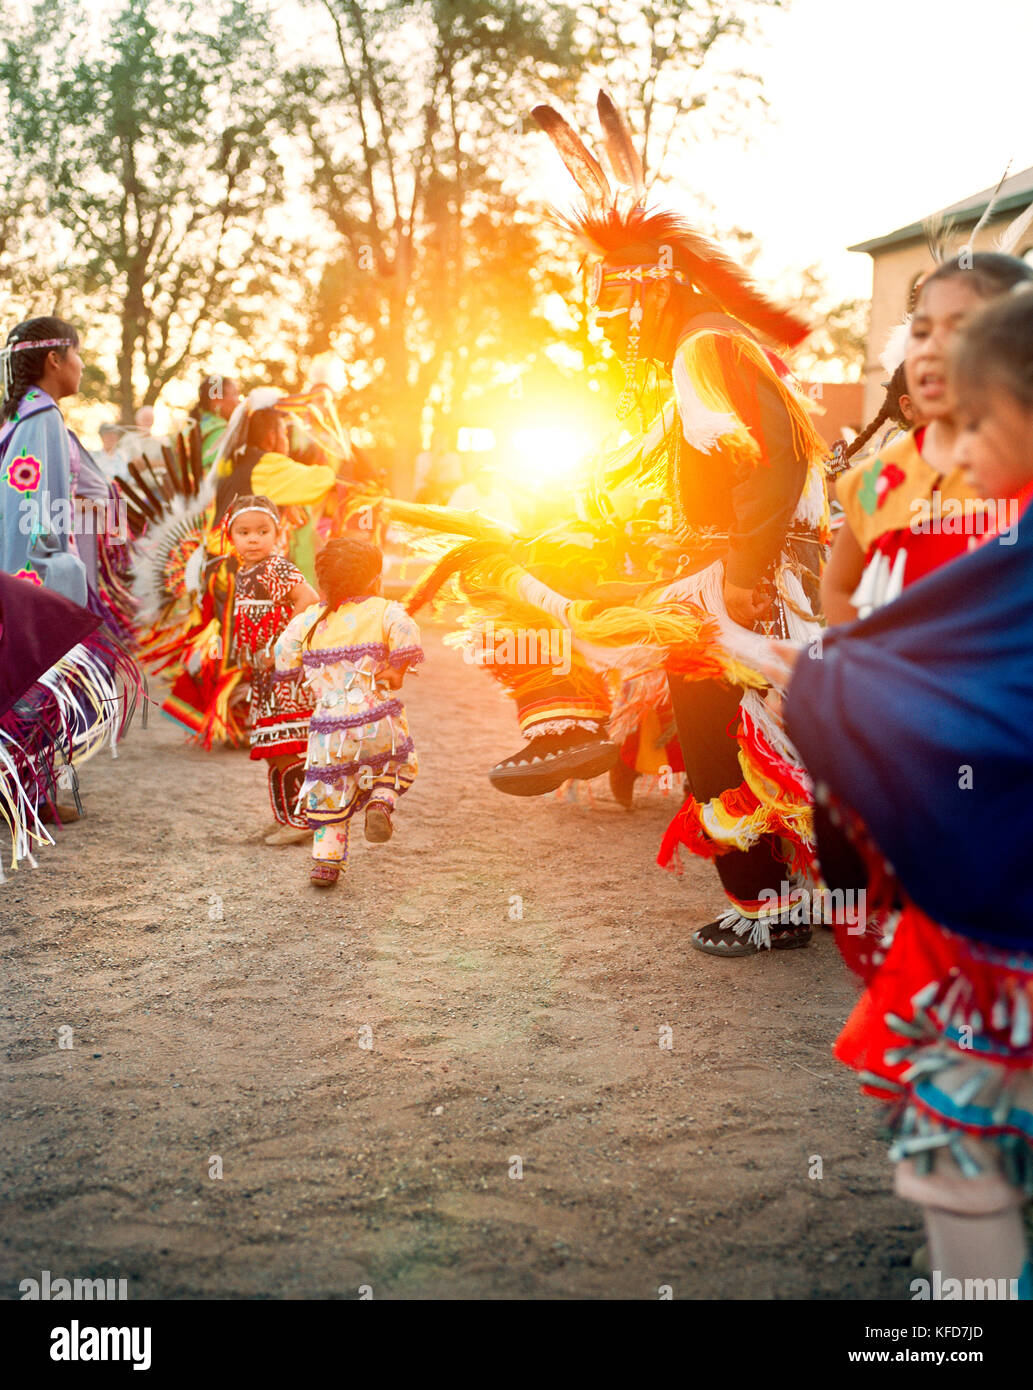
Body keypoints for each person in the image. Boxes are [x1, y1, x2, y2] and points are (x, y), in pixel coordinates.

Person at [769, 286, 1033, 1299]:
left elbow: (968, 677)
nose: (956, 451)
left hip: (989, 870)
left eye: (975, 422)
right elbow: (850, 609)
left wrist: (829, 687)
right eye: (917, 330)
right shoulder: (879, 479)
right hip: (954, 821)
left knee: (953, 1141)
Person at [823, 253, 1033, 625]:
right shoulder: (874, 480)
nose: (931, 347)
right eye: (921, 332)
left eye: (960, 329)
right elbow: (839, 589)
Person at [274, 537, 422, 889]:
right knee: (395, 764)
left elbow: (283, 655)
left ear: (322, 581)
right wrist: (397, 671)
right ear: (374, 580)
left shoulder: (308, 621)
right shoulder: (385, 611)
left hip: (330, 727)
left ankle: (325, 863)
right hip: (377, 718)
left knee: (329, 787)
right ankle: (381, 801)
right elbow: (408, 634)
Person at [225, 495, 318, 845]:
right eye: (244, 532)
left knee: (287, 744)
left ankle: (305, 817)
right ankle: (288, 817)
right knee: (272, 745)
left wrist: (280, 646)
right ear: (231, 536)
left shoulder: (277, 567)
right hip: (263, 675)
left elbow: (308, 599)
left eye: (263, 531)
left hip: (285, 674)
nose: (253, 539)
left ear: (277, 534)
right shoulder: (245, 572)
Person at [192, 373, 240, 473]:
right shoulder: (221, 433)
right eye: (235, 394)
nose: (239, 400)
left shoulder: (194, 426)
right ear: (216, 400)